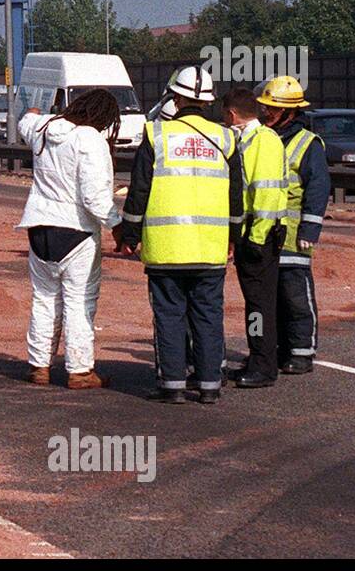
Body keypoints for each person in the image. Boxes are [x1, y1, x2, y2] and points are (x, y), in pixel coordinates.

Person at [117, 66, 243, 405]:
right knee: (208, 316)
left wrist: (128, 233)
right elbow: (236, 196)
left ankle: (172, 384)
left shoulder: (156, 135)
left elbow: (138, 191)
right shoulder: (226, 138)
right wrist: (235, 237)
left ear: (174, 96)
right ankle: (209, 385)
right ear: (208, 102)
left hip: (166, 248)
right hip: (210, 247)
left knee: (170, 315)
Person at [15, 89, 124, 389]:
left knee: (44, 299)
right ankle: (79, 371)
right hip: (76, 233)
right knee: (79, 302)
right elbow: (94, 197)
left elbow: (26, 121)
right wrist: (117, 225)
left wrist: (34, 108)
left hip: (39, 227)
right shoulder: (90, 139)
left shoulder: (44, 128)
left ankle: (39, 366)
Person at [258, 75, 329, 375]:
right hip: (264, 235)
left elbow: (317, 188)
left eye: (272, 110)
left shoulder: (308, 144)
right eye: (265, 109)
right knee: (271, 300)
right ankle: (278, 350)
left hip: (293, 237)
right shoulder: (263, 138)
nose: (266, 114)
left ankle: (302, 351)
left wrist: (309, 231)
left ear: (290, 112)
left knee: (296, 297)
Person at [222, 88, 288, 389]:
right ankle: (257, 358)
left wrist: (257, 237)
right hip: (249, 231)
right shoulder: (246, 139)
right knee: (254, 303)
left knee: (260, 303)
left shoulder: (265, 141)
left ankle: (264, 366)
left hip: (260, 234)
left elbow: (266, 192)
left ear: (232, 114)